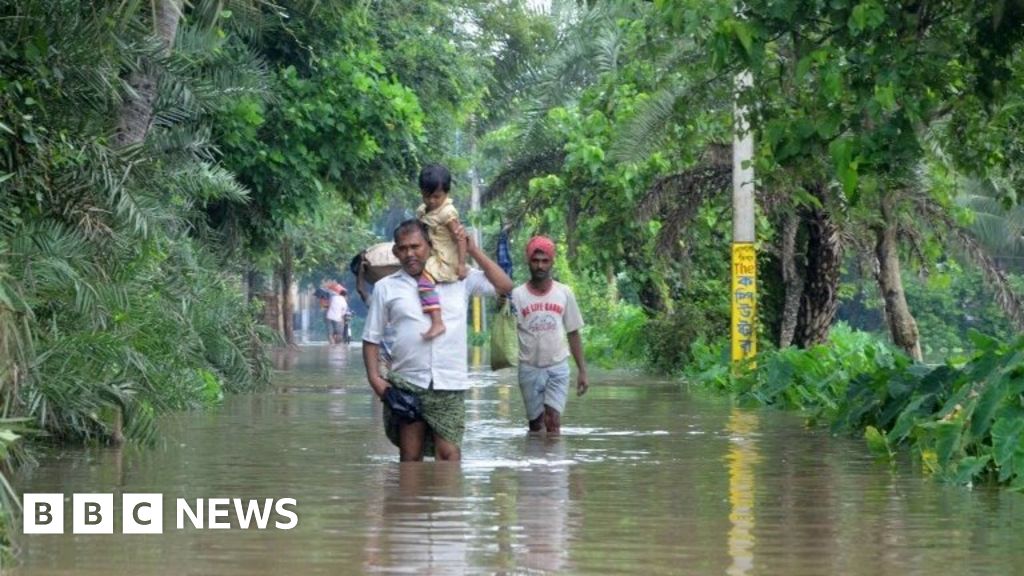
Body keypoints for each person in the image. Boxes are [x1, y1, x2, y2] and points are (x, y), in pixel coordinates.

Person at [362, 220, 513, 462]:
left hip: (450, 383)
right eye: (403, 248)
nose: (410, 253)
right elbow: (371, 338)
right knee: (410, 458)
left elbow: (505, 286)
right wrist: (376, 381)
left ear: (430, 246)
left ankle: (445, 500)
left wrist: (472, 250)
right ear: (395, 252)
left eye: (416, 246)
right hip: (407, 383)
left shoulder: (459, 277)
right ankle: (412, 501)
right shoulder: (386, 288)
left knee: (449, 456)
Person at [508, 236, 589, 435]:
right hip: (529, 368)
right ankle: (537, 464)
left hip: (558, 367)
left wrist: (582, 371)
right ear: (529, 262)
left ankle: (555, 465)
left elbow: (573, 332)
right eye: (535, 261)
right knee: (536, 426)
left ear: (552, 262)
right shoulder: (517, 296)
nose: (540, 266)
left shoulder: (564, 293)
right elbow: (507, 333)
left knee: (553, 422)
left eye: (545, 261)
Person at [415, 164, 468, 340]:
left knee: (423, 284)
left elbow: (460, 238)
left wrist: (461, 264)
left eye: (436, 197)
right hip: (432, 253)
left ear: (446, 193)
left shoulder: (447, 213)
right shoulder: (423, 211)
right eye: (426, 196)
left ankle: (437, 322)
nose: (431, 201)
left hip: (445, 259)